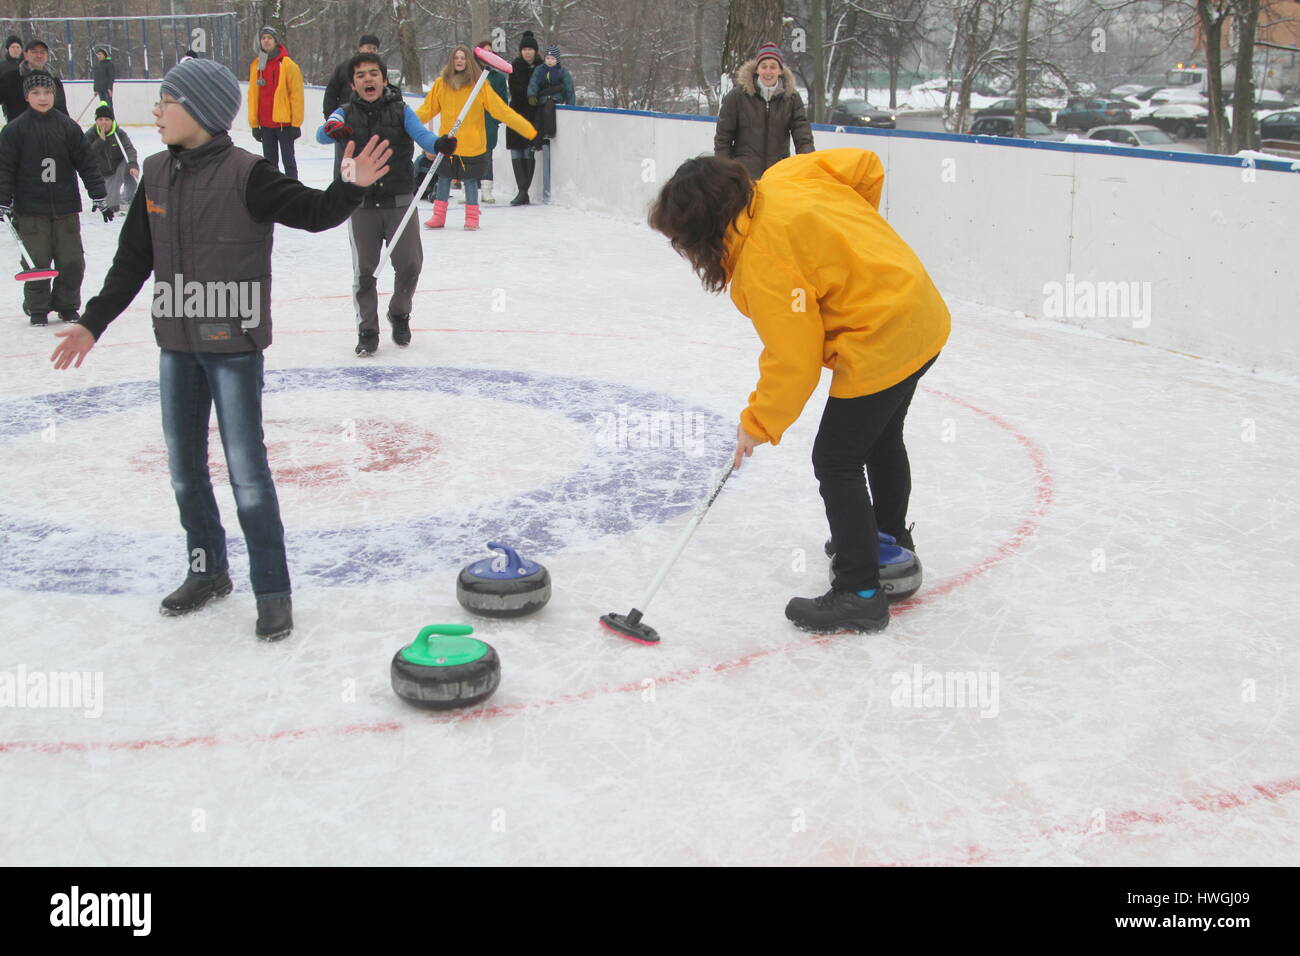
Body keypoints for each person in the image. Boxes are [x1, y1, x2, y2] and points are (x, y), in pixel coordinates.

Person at [48, 58, 393, 642]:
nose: (156, 112)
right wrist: (92, 322)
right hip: (176, 345)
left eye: (167, 101)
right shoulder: (155, 174)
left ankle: (272, 592)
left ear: (202, 112)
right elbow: (133, 259)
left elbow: (311, 214)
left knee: (247, 473)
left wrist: (348, 188)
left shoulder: (248, 173)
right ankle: (206, 572)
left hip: (232, 346)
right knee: (185, 471)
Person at [648, 150, 949, 633]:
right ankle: (886, 542)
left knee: (836, 459)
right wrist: (854, 242)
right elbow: (865, 165)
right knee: (881, 439)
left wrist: (758, 423)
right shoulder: (787, 175)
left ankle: (861, 591)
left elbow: (794, 360)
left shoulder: (761, 263)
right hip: (920, 311)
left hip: (881, 337)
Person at [319, 52, 450, 356]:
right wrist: (332, 128)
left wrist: (439, 145)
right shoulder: (344, 112)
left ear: (384, 79)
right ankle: (368, 330)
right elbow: (325, 131)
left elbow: (423, 137)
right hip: (360, 203)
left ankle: (399, 312)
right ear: (353, 83)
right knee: (365, 271)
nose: (368, 79)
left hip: (400, 200)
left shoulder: (401, 110)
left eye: (373, 73)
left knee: (410, 265)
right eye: (362, 75)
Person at [0, 71, 108, 326]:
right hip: (31, 209)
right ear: (27, 96)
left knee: (71, 260)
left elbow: (87, 163)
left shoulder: (67, 126)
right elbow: (4, 167)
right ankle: (37, 307)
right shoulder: (15, 130)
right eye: (36, 93)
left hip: (66, 207)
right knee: (36, 260)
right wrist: (3, 199)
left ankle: (67, 304)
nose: (43, 97)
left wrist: (99, 194)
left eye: (47, 92)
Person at [415, 45, 537, 230]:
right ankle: (438, 216)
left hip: (472, 143)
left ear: (468, 61)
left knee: (470, 181)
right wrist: (408, 122)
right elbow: (427, 109)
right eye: (456, 58)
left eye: (463, 58)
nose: (459, 61)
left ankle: (472, 218)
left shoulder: (478, 85)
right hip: (449, 142)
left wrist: (527, 129)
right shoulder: (442, 83)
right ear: (451, 61)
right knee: (444, 178)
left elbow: (500, 110)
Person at [714, 41, 814, 180]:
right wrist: (724, 169)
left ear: (780, 70)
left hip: (778, 174)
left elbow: (803, 136)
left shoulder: (791, 98)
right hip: (744, 175)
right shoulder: (737, 96)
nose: (768, 71)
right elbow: (723, 138)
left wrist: (808, 163)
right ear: (757, 69)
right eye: (764, 66)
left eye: (773, 67)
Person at [248, 25, 304, 179]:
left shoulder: (288, 65)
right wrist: (254, 124)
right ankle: (274, 193)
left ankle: (293, 191)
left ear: (275, 41)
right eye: (263, 38)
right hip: (265, 124)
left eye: (269, 38)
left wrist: (296, 124)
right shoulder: (257, 65)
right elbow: (253, 95)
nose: (266, 41)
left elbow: (296, 95)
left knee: (289, 162)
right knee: (270, 164)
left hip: (283, 124)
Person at [505, 31, 542, 205]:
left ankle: (524, 191)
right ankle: (522, 190)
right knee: (516, 151)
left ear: (535, 51)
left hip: (534, 115)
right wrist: (530, 93)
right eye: (525, 49)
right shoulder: (515, 66)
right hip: (517, 113)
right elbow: (516, 91)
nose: (527, 52)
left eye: (530, 49)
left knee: (529, 151)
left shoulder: (541, 66)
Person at [84, 104, 138, 215]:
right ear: (96, 121)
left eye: (107, 119)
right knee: (113, 206)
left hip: (120, 167)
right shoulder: (90, 134)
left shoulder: (119, 133)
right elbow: (85, 155)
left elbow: (129, 149)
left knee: (129, 167)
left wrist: (133, 165)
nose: (104, 122)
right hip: (105, 174)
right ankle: (116, 199)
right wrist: (100, 141)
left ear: (112, 121)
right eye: (100, 119)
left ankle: (127, 198)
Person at [474, 39, 509, 204]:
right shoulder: (470, 75)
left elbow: (503, 102)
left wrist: (494, 119)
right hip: (470, 122)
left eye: (491, 52)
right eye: (484, 51)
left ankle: (486, 190)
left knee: (486, 156)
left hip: (488, 123)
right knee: (467, 155)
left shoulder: (498, 78)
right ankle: (470, 190)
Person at [0, 40, 69, 121]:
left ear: (47, 56)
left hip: (50, 131)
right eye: (34, 52)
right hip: (19, 131)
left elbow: (62, 110)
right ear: (25, 55)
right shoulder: (10, 78)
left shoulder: (54, 81)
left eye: (42, 52)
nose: (39, 55)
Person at [322, 33, 380, 118]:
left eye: (374, 49)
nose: (371, 51)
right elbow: (331, 93)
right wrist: (331, 117)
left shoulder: (380, 70)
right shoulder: (345, 67)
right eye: (369, 47)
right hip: (346, 117)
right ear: (360, 48)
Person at [527, 44, 575, 140]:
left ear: (557, 60)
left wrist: (570, 105)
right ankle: (537, 141)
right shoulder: (539, 70)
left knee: (549, 108)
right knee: (538, 117)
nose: (549, 61)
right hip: (542, 97)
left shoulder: (562, 71)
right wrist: (532, 95)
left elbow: (569, 88)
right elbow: (533, 82)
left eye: (552, 59)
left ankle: (549, 132)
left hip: (556, 97)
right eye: (548, 58)